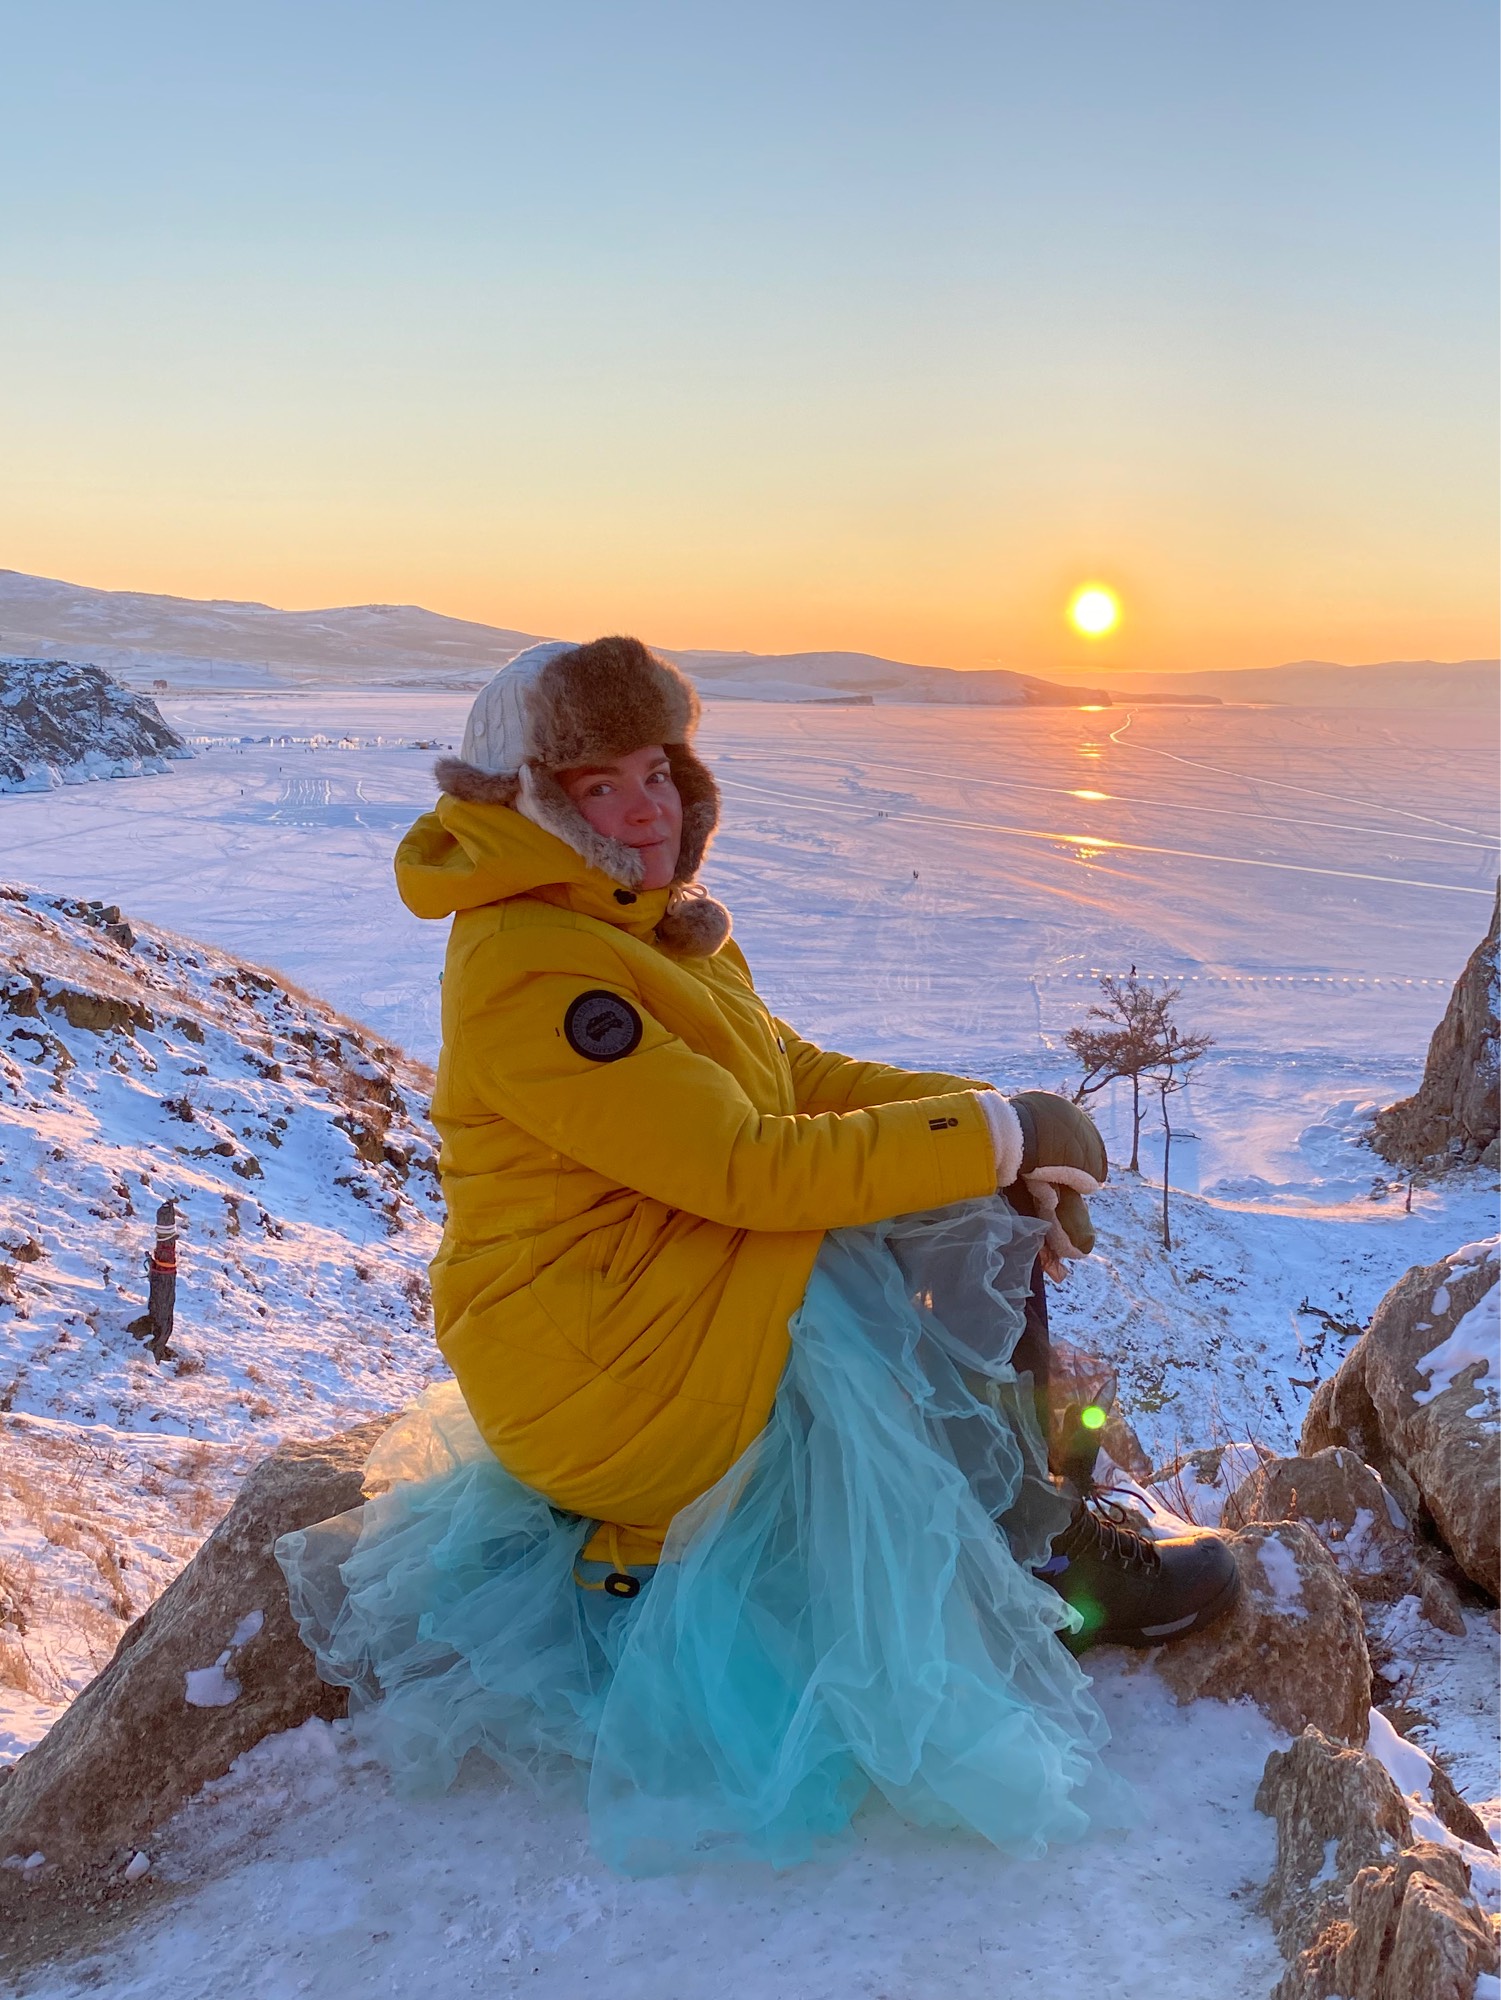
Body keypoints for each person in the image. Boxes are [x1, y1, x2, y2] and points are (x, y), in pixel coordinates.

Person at [279, 635, 1237, 1875]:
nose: (646, 809)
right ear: (522, 802)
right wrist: (995, 1145)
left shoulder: (648, 924)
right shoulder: (537, 966)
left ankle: (1027, 1503)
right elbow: (747, 1163)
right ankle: (1042, 1560)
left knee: (953, 1192)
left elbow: (798, 1080)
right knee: (915, 1223)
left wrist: (1000, 1119)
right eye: (598, 786)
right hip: (604, 1358)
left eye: (657, 771)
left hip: (643, 1287)